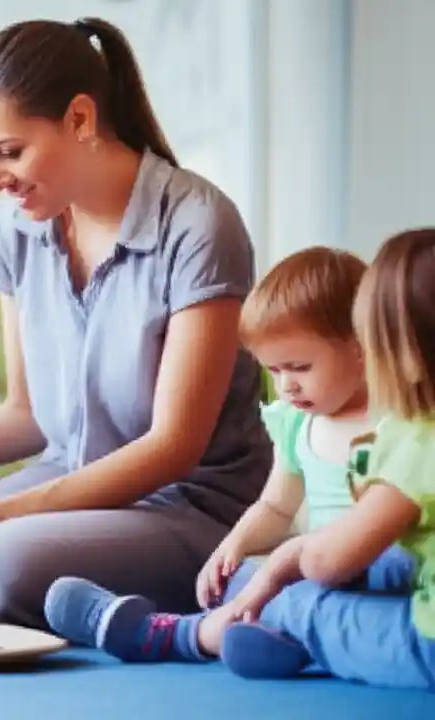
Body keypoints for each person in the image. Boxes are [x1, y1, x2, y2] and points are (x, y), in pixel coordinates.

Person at [0, 17, 271, 629]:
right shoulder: (16, 228)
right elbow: (27, 417)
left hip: (191, 504)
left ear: (80, 119)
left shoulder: (197, 224)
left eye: (9, 151)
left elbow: (172, 447)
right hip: (69, 481)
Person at [53, 228, 435, 691]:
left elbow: (334, 559)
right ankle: (273, 638)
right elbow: (278, 507)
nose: (287, 384)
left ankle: (184, 635)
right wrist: (239, 551)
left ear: (377, 351)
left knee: (290, 598)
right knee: (257, 580)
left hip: (396, 614)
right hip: (376, 574)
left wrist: (281, 566)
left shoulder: (415, 436)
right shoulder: (305, 426)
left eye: (298, 367)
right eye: (274, 370)